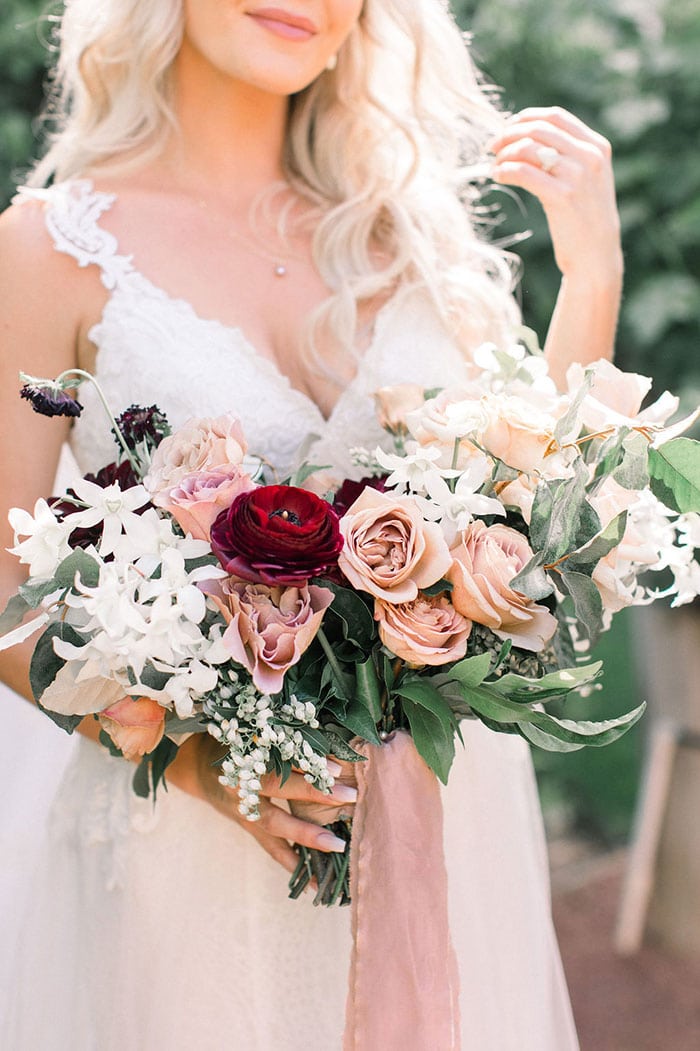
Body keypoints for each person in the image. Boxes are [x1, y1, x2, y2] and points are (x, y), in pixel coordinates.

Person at [0, 1, 623, 1048]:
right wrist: (205, 769)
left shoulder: (420, 237)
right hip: (189, 847)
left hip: (442, 825)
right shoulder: (44, 249)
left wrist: (592, 274)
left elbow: (549, 531)